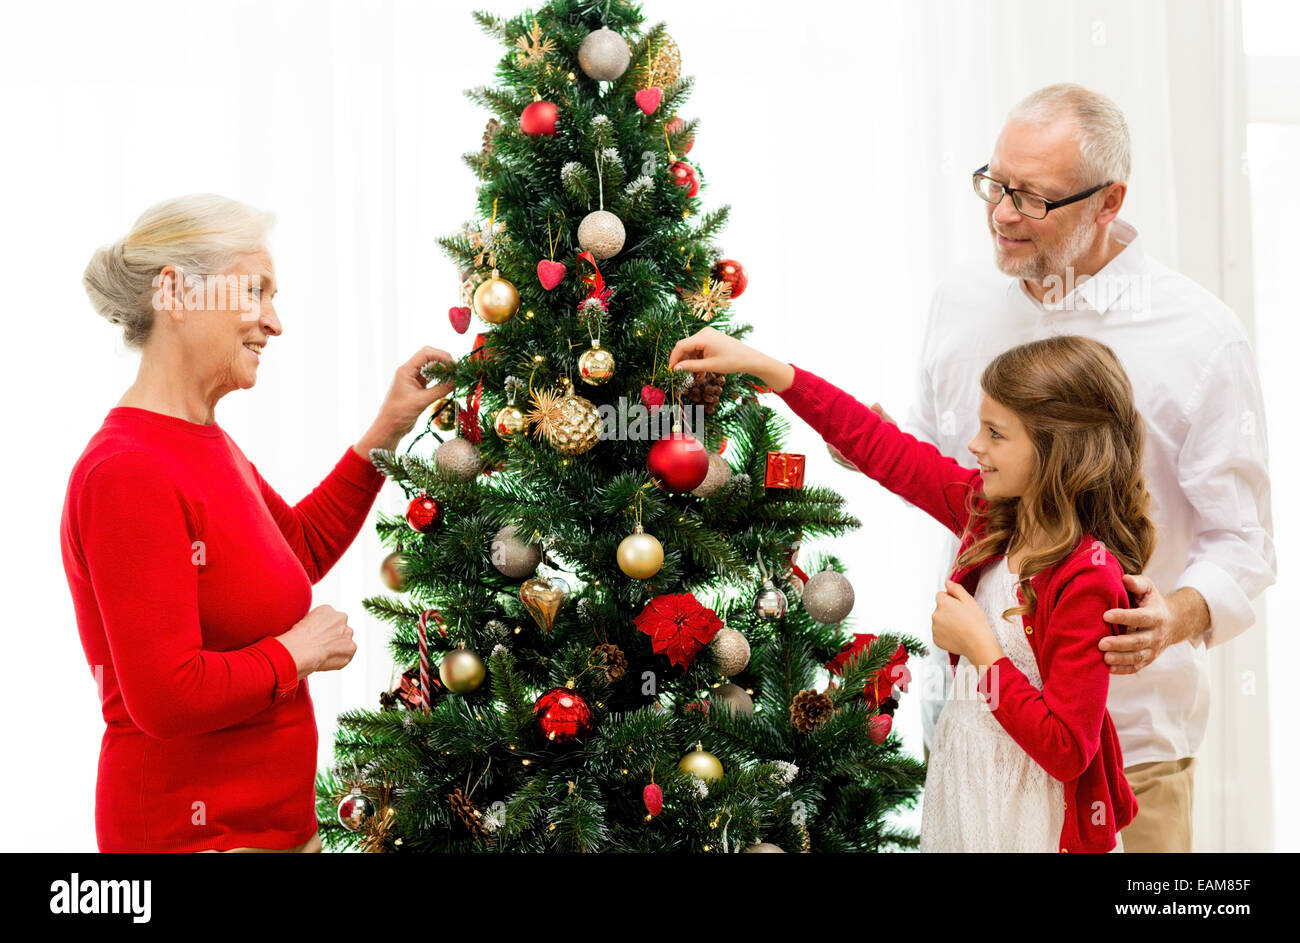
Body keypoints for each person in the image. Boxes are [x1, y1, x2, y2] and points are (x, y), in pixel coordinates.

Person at [868, 83, 1273, 852]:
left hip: (1129, 755)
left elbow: (1246, 543)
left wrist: (1175, 617)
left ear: (1109, 200)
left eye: (1033, 198)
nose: (1002, 213)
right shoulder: (961, 298)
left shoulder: (1202, 338)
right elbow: (951, 475)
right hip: (976, 737)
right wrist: (875, 440)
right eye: (996, 183)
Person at [61, 194, 454, 852]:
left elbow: (294, 550)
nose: (274, 322)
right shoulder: (128, 470)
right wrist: (296, 654)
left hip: (273, 832)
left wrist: (390, 426)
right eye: (255, 291)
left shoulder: (202, 440)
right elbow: (166, 697)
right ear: (176, 294)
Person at [670, 327, 1148, 852]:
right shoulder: (985, 513)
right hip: (966, 788)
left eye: (995, 433)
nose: (974, 445)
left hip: (1033, 818)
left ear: (1058, 450)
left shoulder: (1086, 577)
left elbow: (1066, 751)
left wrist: (982, 651)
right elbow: (883, 447)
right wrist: (766, 367)